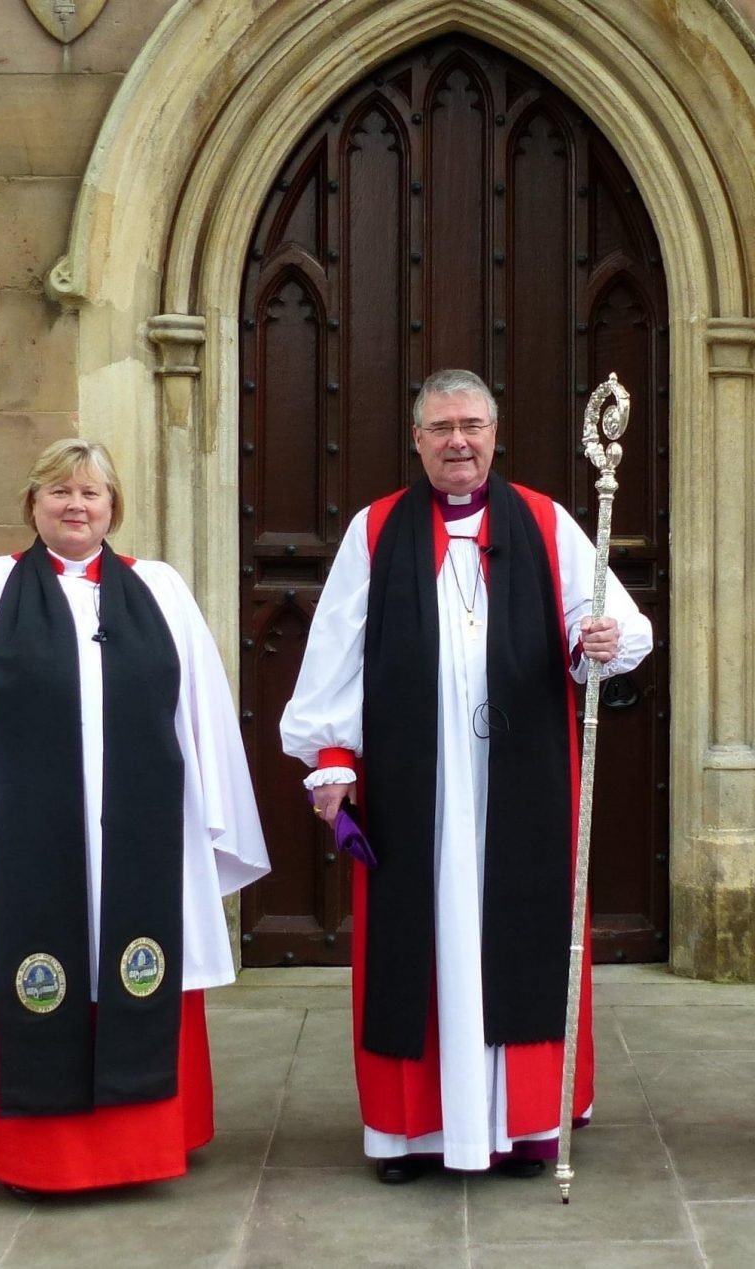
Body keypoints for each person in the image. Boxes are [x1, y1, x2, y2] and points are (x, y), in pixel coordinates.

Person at [280, 369, 653, 1183]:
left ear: (494, 432)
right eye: (442, 427)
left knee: (519, 934)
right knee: (420, 938)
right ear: (416, 439)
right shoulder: (376, 531)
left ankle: (523, 1126)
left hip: (519, 778)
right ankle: (411, 1132)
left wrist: (596, 639)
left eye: (472, 425)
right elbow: (336, 651)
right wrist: (331, 758)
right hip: (418, 784)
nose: (459, 441)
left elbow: (616, 625)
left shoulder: (548, 523)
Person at [0, 438, 270, 1195]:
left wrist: (214, 814)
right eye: (60, 492)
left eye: (92, 493)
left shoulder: (158, 590)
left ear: (113, 507)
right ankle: (29, 1151)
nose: (76, 505)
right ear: (32, 504)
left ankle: (139, 1141)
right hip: (17, 838)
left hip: (139, 833)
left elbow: (200, 712)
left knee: (130, 959)